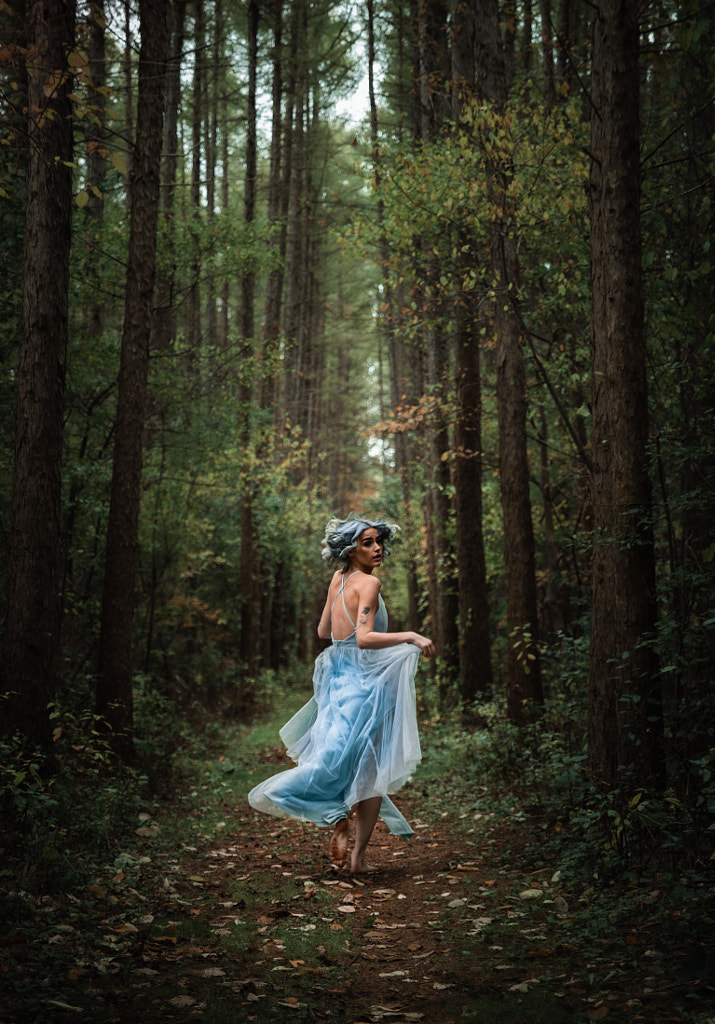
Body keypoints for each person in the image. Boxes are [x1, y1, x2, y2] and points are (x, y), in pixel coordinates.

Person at [248, 516, 434, 873]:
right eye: (367, 542)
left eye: (378, 541)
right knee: (367, 769)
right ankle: (340, 825)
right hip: (365, 683)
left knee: (352, 764)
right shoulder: (369, 584)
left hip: (337, 680)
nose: (377, 548)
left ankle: (357, 859)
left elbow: (323, 630)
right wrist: (410, 635)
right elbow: (364, 638)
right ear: (350, 548)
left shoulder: (338, 579)